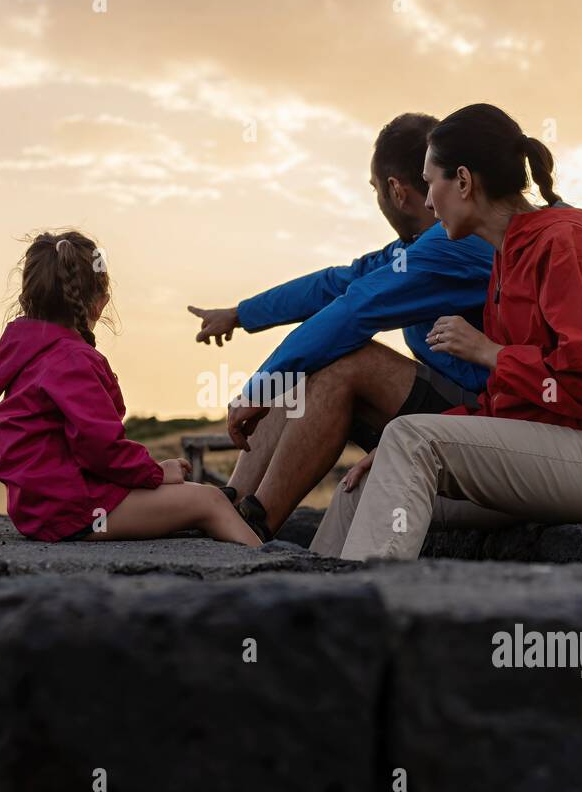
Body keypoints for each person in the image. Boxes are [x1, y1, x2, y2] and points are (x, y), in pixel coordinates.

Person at [313, 104, 582, 560]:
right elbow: (511, 405)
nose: (429, 202)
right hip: (571, 451)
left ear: (462, 180)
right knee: (361, 491)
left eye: (430, 181)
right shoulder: (506, 261)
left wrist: (490, 352)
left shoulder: (565, 242)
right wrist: (398, 455)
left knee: (410, 439)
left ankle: (365, 612)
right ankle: (307, 620)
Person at [187, 112, 496, 541]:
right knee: (312, 358)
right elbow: (334, 284)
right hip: (463, 410)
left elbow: (354, 310)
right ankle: (230, 503)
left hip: (494, 418)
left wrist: (259, 386)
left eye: (374, 189)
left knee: (344, 357)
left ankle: (252, 524)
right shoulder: (414, 249)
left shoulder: (451, 245)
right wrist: (241, 314)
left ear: (394, 190)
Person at [0, 230, 261, 546]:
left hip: (42, 509)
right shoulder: (71, 360)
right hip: (76, 513)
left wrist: (153, 473)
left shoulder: (30, 355)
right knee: (210, 502)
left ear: (27, 299)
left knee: (194, 496)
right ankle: (278, 578)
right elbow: (100, 449)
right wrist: (156, 475)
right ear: (99, 303)